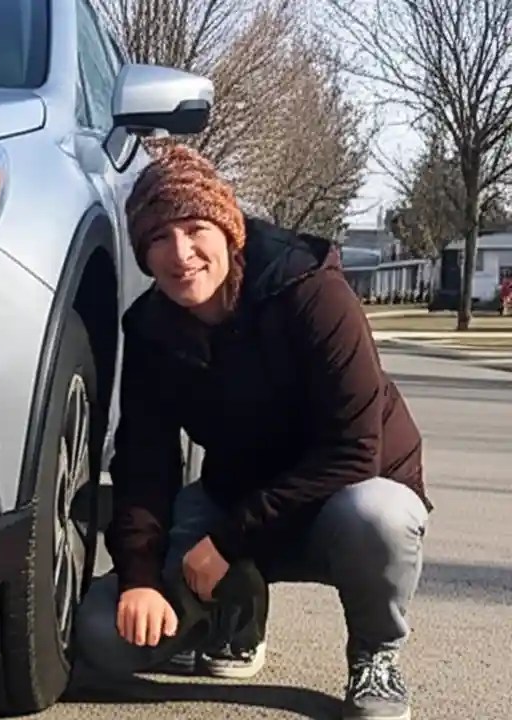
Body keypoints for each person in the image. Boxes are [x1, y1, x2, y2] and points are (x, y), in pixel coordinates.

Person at [73, 142, 431, 720]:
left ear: (228, 229)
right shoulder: (151, 329)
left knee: (377, 517)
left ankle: (375, 654)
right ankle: (234, 613)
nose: (180, 253)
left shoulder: (312, 290)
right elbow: (145, 462)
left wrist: (229, 543)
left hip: (350, 494)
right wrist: (140, 576)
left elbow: (353, 451)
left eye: (193, 228)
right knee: (100, 634)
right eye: (158, 238)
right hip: (238, 498)